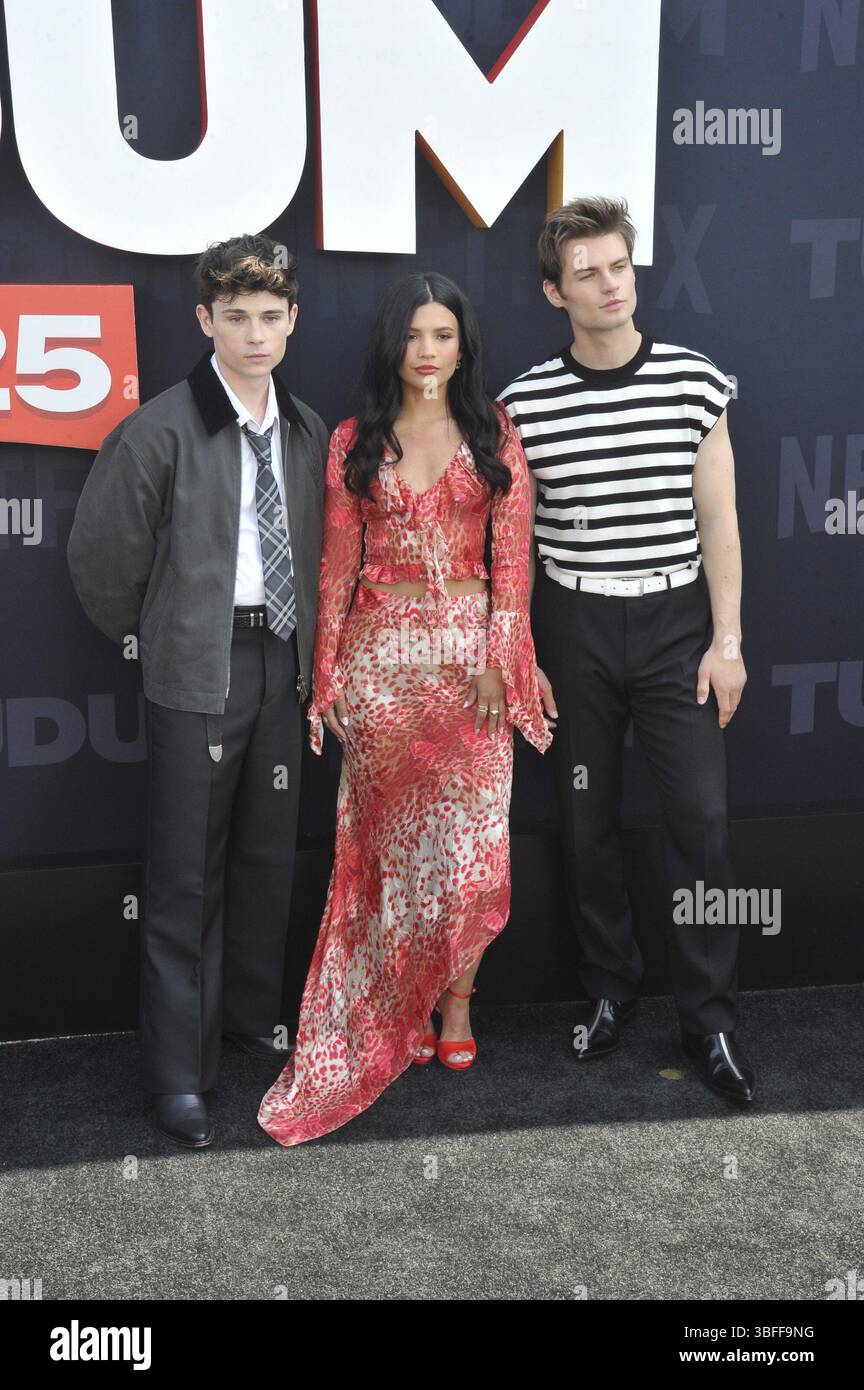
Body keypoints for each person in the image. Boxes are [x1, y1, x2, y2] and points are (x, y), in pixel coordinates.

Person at [258, 271, 556, 1147]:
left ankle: (455, 1002)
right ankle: (399, 1003)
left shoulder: (493, 430)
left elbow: (514, 561)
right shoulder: (355, 438)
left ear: (463, 346)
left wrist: (503, 660)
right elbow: (333, 571)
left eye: (444, 336)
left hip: (470, 667)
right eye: (415, 336)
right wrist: (331, 679)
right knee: (389, 855)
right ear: (393, 344)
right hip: (383, 663)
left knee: (469, 853)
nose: (428, 352)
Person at [67, 235, 330, 1147]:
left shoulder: (306, 428)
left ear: (292, 322)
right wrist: (167, 638)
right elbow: (103, 567)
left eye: (271, 317)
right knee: (185, 877)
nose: (255, 336)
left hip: (281, 665)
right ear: (204, 321)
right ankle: (181, 1075)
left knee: (266, 857)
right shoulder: (160, 429)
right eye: (236, 318)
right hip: (196, 670)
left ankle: (251, 1023)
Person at [498, 196, 756, 1104]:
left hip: (677, 627)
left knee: (702, 821)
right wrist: (522, 651)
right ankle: (611, 990)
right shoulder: (522, 404)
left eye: (619, 267)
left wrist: (727, 639)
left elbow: (719, 520)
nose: (609, 286)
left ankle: (711, 1017)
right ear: (553, 292)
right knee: (588, 819)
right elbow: (513, 544)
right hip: (575, 629)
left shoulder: (695, 381)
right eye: (587, 274)